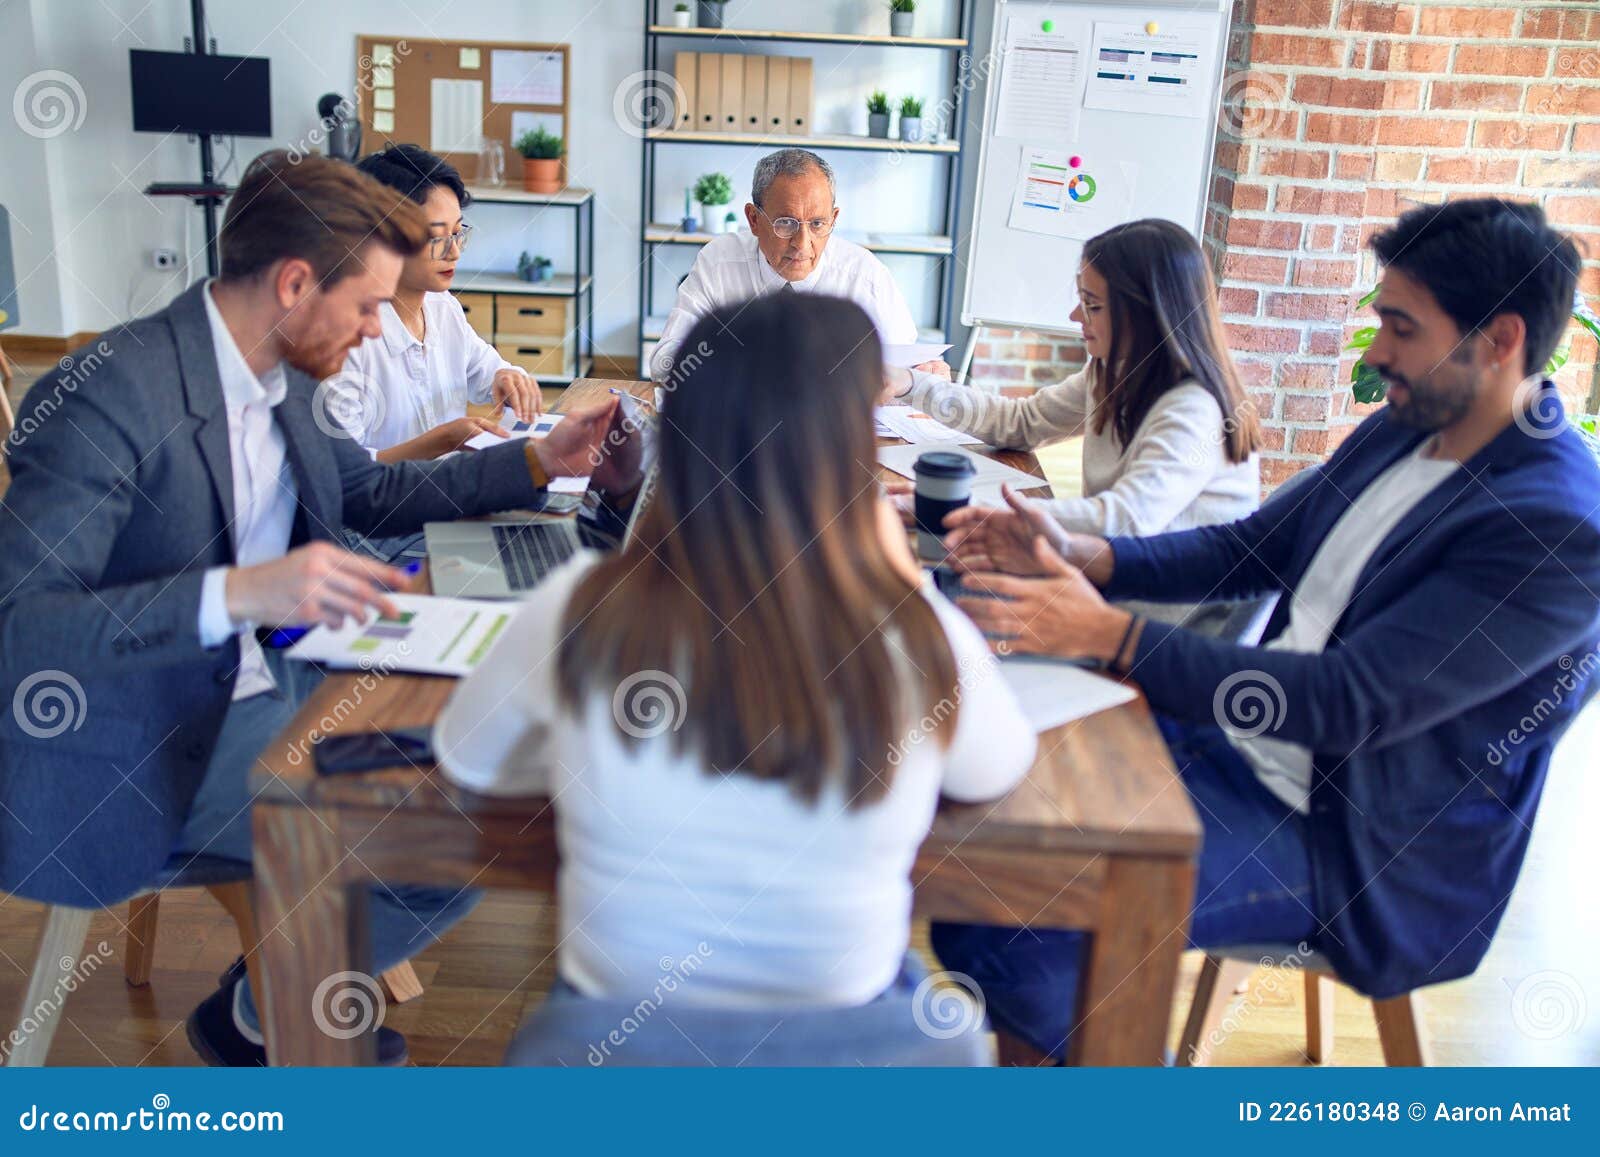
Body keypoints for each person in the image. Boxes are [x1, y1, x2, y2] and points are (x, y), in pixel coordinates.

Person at [929, 198, 1600, 1061]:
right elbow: (1250, 548)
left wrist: (1106, 635)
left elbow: (1348, 701)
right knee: (974, 845)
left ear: (1500, 340)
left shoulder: (1552, 526)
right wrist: (1083, 551)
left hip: (1353, 843)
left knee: (1015, 920)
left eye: (1400, 325)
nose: (1377, 351)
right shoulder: (1410, 424)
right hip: (1239, 745)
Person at [0, 150, 618, 1066]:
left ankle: (258, 1009)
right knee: (451, 826)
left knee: (500, 798)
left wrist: (539, 460)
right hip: (131, 738)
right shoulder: (109, 397)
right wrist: (242, 593)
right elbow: (22, 627)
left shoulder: (282, 372)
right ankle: (296, 1009)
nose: (378, 331)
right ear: (295, 283)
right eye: (368, 306)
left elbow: (365, 493)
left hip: (273, 676)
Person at [437, 295, 1036, 1059]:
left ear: (679, 445)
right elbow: (1000, 766)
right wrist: (905, 583)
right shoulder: (915, 634)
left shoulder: (578, 608)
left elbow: (467, 757)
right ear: (848, 456)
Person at [883, 219, 1260, 541]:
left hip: (1164, 613)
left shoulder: (1194, 409)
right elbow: (1022, 424)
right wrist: (910, 384)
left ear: (1145, 314)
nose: (1075, 315)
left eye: (1092, 305)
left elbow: (1124, 521)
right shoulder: (1113, 370)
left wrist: (957, 510)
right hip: (1110, 577)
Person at [649, 148, 943, 382]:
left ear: (834, 219)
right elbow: (664, 362)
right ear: (753, 219)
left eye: (817, 224)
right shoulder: (718, 261)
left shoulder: (866, 276)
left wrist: (923, 374)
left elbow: (908, 366)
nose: (802, 244)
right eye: (785, 223)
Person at [335, 143, 541, 462]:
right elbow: (347, 474)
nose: (454, 252)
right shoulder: (344, 339)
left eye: (458, 233)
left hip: (449, 494)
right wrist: (445, 440)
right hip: (388, 510)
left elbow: (486, 370)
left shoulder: (442, 307)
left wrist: (506, 377)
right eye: (436, 238)